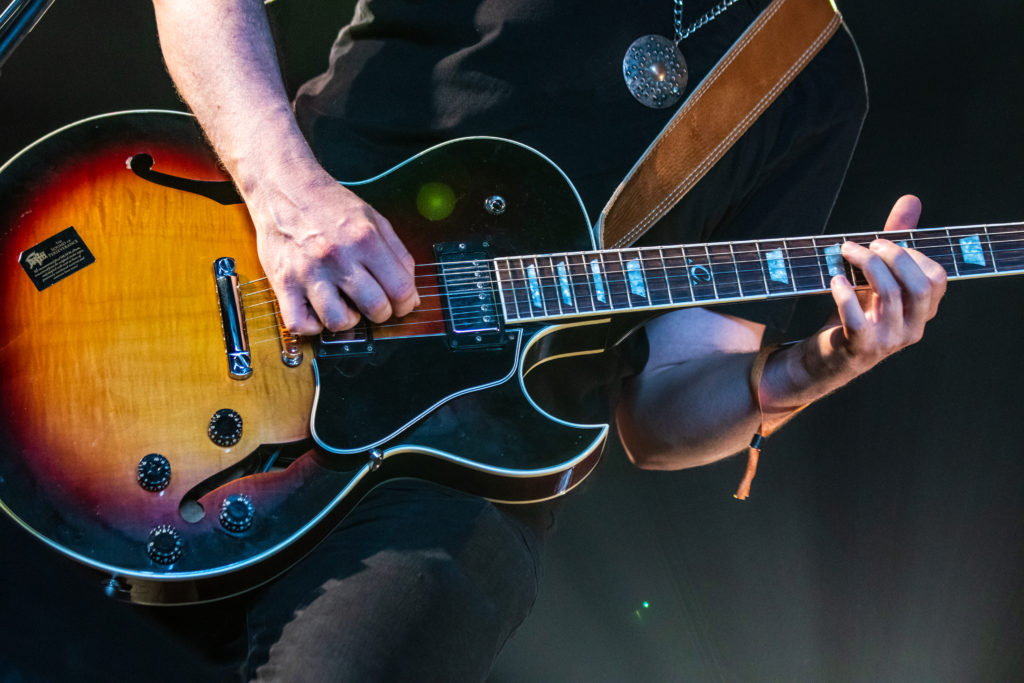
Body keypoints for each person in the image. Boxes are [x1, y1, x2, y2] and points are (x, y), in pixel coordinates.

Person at [148, 0, 947, 679]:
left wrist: (822, 364)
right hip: (238, 313)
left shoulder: (808, 68)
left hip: (465, 481)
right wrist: (288, 192)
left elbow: (662, 411)